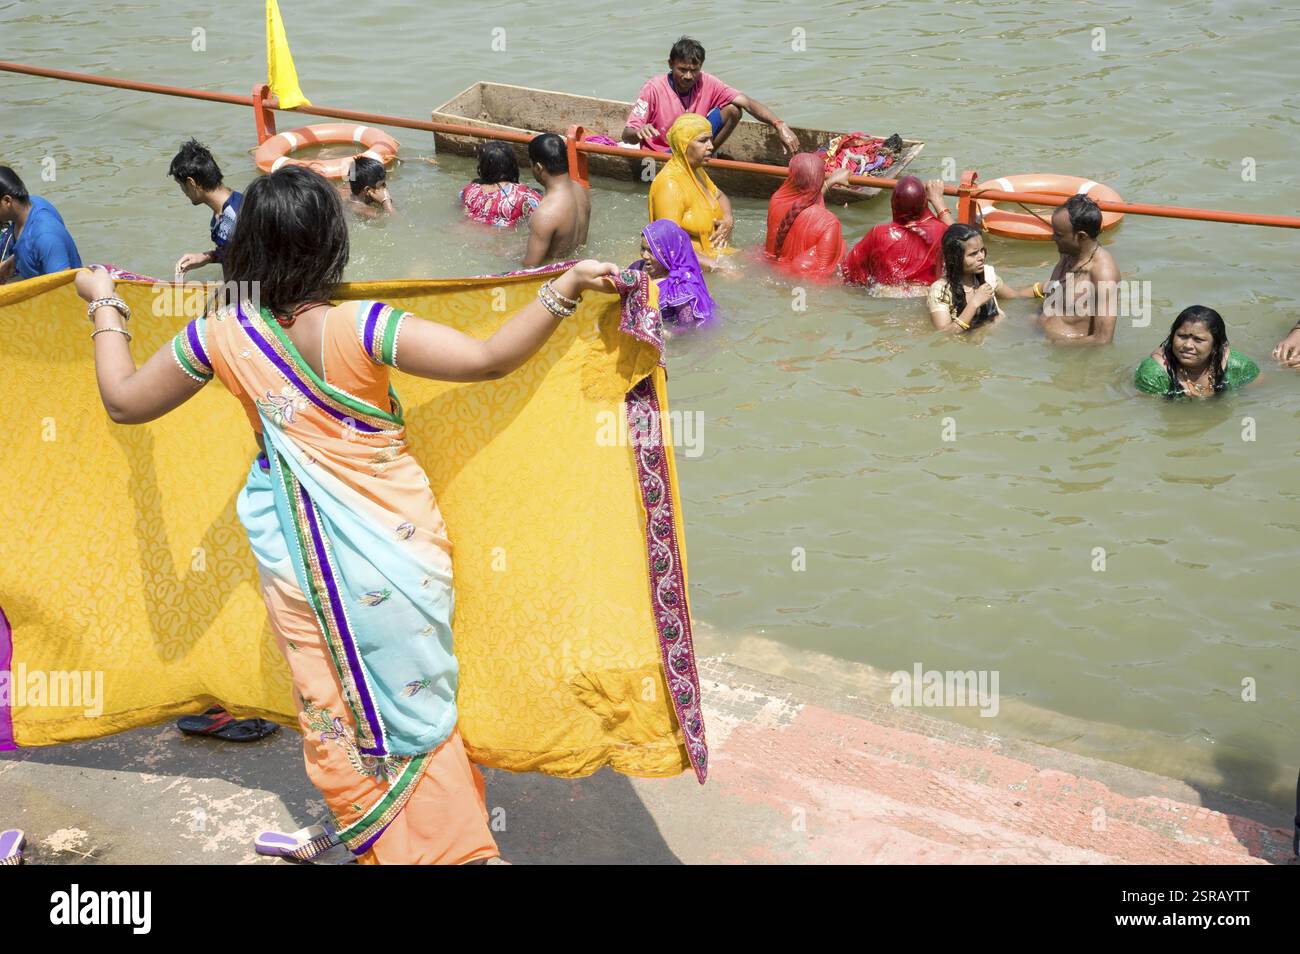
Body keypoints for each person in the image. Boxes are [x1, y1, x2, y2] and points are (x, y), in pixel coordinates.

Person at [72, 164, 621, 863]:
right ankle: (451, 847)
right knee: (414, 708)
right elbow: (487, 359)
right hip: (398, 558)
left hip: (301, 570)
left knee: (334, 712)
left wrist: (104, 303)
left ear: (244, 252)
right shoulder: (364, 325)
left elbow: (122, 401)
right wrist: (563, 287)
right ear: (332, 244)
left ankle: (385, 839)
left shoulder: (221, 335)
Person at [621, 36, 799, 155]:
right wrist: (638, 132)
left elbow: (747, 103)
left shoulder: (707, 82)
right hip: (664, 154)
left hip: (695, 147)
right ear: (670, 64)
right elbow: (626, 136)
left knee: (733, 109)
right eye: (682, 70)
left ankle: (709, 154)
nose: (688, 76)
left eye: (694, 70)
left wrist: (779, 125)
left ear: (701, 67)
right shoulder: (652, 89)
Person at [648, 114, 734, 268]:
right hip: (688, 268)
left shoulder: (696, 170)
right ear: (683, 145)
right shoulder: (670, 185)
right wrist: (717, 267)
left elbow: (720, 196)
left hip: (715, 256)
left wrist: (728, 219)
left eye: (710, 139)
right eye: (702, 141)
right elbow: (669, 244)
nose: (711, 146)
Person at [1034, 194, 1121, 345]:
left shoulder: (1103, 273)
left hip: (1066, 353)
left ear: (1081, 237)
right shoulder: (1068, 253)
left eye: (1059, 235)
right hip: (1039, 336)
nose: (1053, 238)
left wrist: (1056, 345)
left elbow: (1102, 339)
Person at [843, 176, 952, 294]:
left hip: (886, 295)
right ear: (925, 204)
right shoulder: (941, 231)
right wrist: (938, 201)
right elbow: (962, 240)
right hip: (926, 295)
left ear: (893, 204)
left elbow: (848, 272)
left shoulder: (879, 234)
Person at [927, 223, 1030, 333]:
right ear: (955, 258)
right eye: (973, 254)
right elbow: (945, 333)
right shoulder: (940, 290)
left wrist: (1041, 288)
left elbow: (1015, 295)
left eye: (982, 250)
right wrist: (975, 303)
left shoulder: (987, 276)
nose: (981, 257)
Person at [1135, 306, 1259, 397]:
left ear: (1216, 345)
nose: (1188, 345)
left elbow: (1261, 392)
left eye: (1198, 339)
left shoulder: (1237, 366)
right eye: (1182, 336)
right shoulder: (1154, 374)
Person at [764, 153, 850, 281]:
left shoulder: (776, 200)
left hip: (769, 269)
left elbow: (801, 204)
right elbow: (821, 273)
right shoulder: (829, 222)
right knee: (842, 245)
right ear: (820, 178)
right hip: (802, 284)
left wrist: (830, 182)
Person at [169, 139, 242, 277]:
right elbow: (236, 254)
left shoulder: (236, 216)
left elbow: (256, 266)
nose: (183, 191)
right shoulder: (222, 211)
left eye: (181, 185)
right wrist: (207, 257)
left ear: (191, 183)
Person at [0, 165, 82, 282]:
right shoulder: (32, 203)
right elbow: (31, 245)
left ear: (7, 201)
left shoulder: (45, 236)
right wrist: (13, 260)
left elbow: (63, 285)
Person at [523, 134, 590, 267]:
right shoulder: (583, 191)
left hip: (551, 280)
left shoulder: (545, 213)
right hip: (575, 269)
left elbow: (529, 268)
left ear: (538, 167)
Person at [636, 218, 717, 327]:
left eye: (651, 251)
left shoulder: (679, 288)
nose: (644, 256)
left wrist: (665, 334)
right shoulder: (638, 267)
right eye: (643, 248)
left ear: (668, 252)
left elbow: (688, 329)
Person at [459, 141, 541, 228]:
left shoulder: (469, 191)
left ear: (482, 166)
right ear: (513, 165)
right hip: (502, 238)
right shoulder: (526, 196)